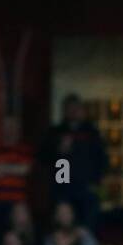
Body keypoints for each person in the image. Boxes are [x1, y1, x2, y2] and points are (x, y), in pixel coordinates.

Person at [38, 94, 107, 230]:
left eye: (76, 108)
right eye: (69, 108)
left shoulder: (91, 132)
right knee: (63, 225)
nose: (73, 112)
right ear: (64, 110)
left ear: (81, 110)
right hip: (62, 188)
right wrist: (59, 150)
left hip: (87, 188)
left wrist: (95, 183)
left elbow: (102, 160)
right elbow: (42, 158)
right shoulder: (55, 132)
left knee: (88, 227)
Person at [0, 115, 34, 237]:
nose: (10, 129)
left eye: (13, 126)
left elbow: (24, 170)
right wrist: (12, 167)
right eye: (7, 126)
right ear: (2, 128)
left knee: (16, 235)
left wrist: (0, 167)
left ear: (17, 129)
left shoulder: (24, 149)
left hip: (17, 200)